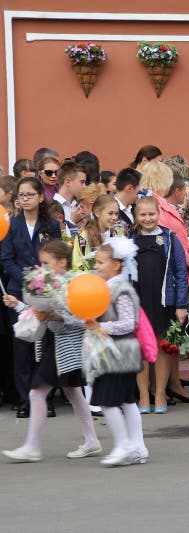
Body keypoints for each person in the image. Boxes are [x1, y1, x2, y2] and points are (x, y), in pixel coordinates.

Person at [1, 241, 100, 463]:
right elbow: (38, 311)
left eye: (46, 263)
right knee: (74, 393)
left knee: (37, 392)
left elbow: (83, 318)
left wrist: (57, 317)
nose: (42, 267)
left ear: (62, 262)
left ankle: (32, 446)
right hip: (55, 345)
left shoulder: (72, 285)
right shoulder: (50, 284)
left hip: (65, 348)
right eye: (41, 263)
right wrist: (18, 304)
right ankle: (91, 440)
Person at [1, 177, 61, 418]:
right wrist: (27, 278)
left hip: (45, 289)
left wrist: (41, 279)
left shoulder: (51, 225)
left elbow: (57, 256)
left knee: (45, 346)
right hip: (18, 289)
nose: (25, 199)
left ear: (40, 197)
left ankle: (45, 398)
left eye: (29, 194)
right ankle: (26, 399)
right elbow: (6, 259)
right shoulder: (12, 224)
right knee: (23, 345)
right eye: (21, 195)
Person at [86, 240, 148, 466]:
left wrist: (101, 327)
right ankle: (138, 447)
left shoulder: (120, 290)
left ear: (117, 265)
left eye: (101, 262)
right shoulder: (104, 288)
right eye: (96, 261)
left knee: (108, 401)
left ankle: (124, 445)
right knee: (127, 400)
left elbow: (128, 323)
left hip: (120, 352)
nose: (97, 266)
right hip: (118, 352)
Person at [132, 197, 189, 413]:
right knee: (141, 350)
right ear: (137, 216)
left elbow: (180, 272)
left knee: (163, 348)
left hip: (164, 300)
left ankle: (160, 395)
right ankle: (144, 396)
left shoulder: (169, 237)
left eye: (151, 214)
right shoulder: (130, 239)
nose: (147, 219)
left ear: (158, 214)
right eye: (143, 215)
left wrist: (181, 304)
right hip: (139, 300)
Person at [52, 161, 88, 229]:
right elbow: (55, 236)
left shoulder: (79, 205)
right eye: (82, 182)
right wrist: (72, 221)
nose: (85, 187)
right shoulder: (50, 206)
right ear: (68, 182)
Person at [113, 168, 140, 232]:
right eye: (139, 192)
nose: (139, 196)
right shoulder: (107, 208)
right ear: (130, 188)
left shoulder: (136, 208)